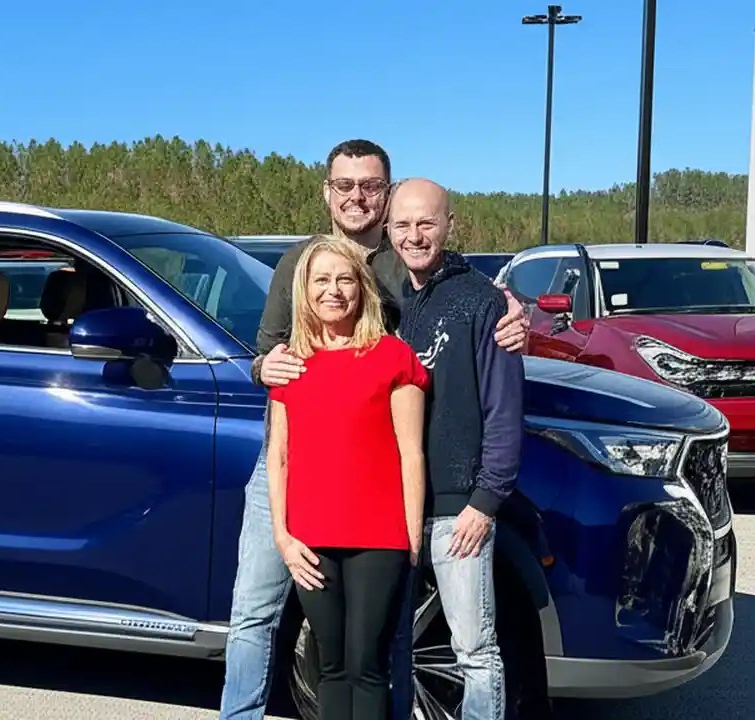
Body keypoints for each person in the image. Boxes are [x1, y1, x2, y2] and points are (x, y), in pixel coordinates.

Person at [218, 139, 528, 720]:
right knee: (254, 612)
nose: (356, 197)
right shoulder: (298, 262)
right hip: (289, 464)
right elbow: (268, 354)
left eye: (370, 186)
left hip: (372, 478)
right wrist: (263, 369)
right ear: (327, 192)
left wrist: (513, 310)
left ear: (385, 195)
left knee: (389, 639)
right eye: (345, 185)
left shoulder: (400, 259)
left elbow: (461, 292)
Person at [266, 234, 428, 720]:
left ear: (362, 288)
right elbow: (279, 456)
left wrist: (412, 539)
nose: (333, 291)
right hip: (310, 539)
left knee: (367, 665)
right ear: (304, 289)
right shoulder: (290, 363)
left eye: (344, 280)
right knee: (331, 667)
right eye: (321, 280)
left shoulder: (393, 357)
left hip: (379, 539)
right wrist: (283, 539)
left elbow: (411, 452)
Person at [389, 178, 524, 720]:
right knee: (393, 644)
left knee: (475, 650)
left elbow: (504, 410)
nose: (414, 235)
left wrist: (484, 502)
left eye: (426, 222)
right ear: (388, 229)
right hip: (393, 506)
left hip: (457, 512)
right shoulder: (389, 302)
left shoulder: (483, 302)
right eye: (403, 224)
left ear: (450, 224)